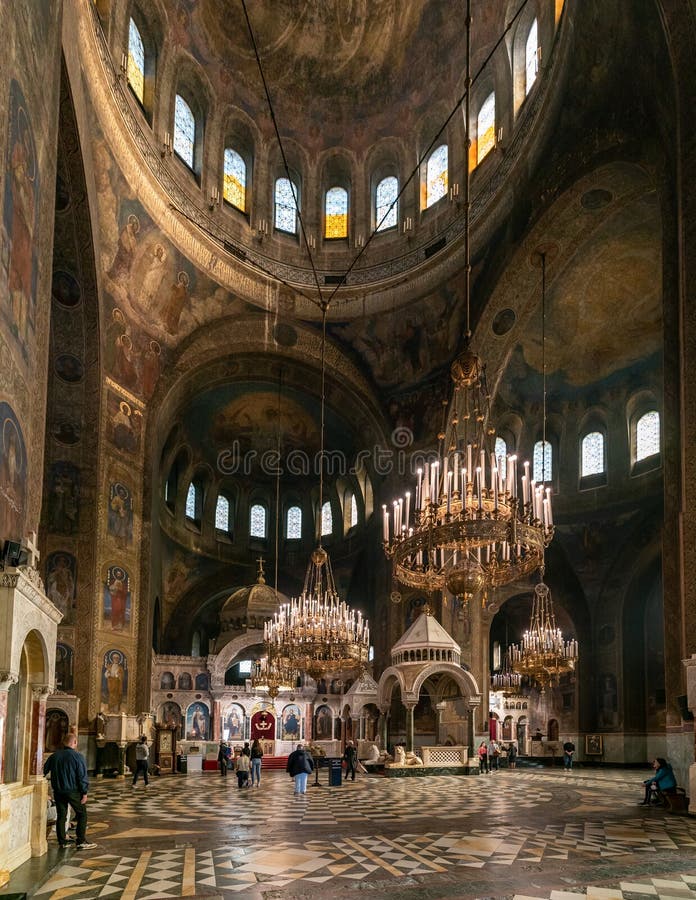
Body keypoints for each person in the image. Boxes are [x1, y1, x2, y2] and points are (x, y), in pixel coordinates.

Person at [43, 734, 97, 850]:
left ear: (64, 742)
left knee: (61, 816)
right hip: (73, 791)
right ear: (75, 742)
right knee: (82, 814)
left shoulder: (54, 756)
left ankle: (62, 841)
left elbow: (43, 771)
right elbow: (82, 776)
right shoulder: (78, 756)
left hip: (58, 791)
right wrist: (84, 792)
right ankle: (81, 841)